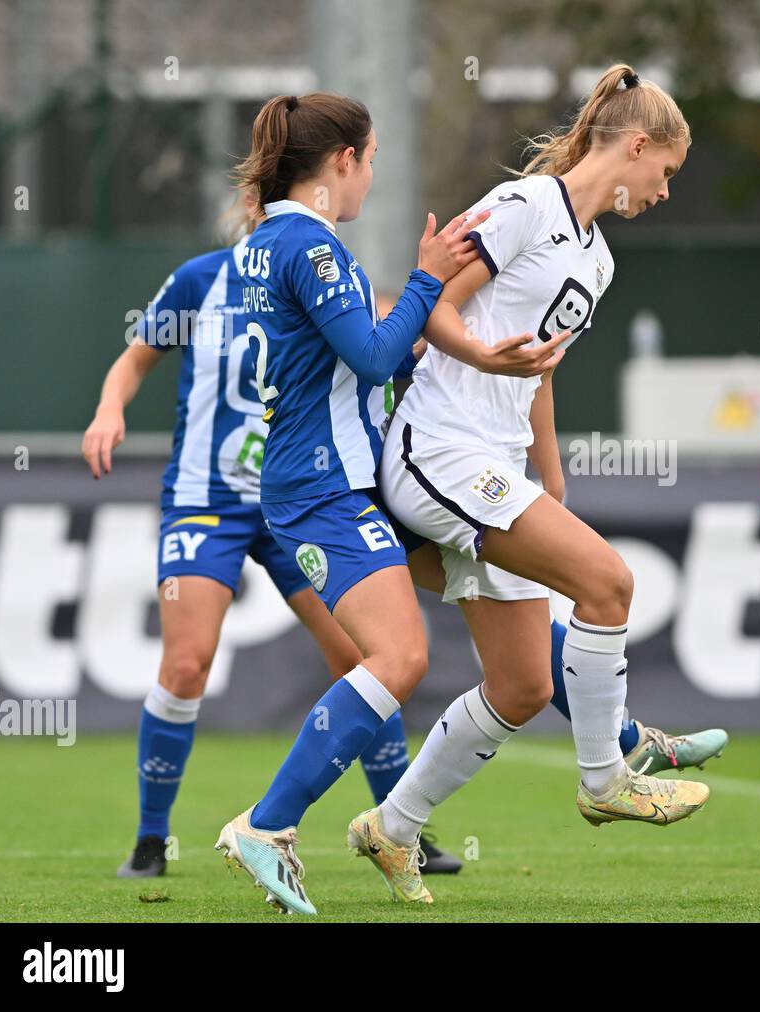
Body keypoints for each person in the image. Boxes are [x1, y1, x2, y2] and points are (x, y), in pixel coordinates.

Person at [353, 64, 715, 905]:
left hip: (495, 462)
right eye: (665, 173)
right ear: (633, 146)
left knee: (522, 685)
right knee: (610, 582)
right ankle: (606, 779)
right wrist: (478, 355)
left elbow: (538, 373)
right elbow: (431, 304)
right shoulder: (523, 208)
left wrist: (549, 480)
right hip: (436, 448)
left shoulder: (597, 262)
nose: (664, 193)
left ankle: (391, 827)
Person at [81, 204, 462, 878]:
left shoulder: (319, 272)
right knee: (187, 664)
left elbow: (378, 353)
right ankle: (149, 841)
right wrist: (110, 407)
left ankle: (401, 829)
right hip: (209, 499)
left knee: (362, 657)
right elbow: (133, 360)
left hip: (297, 494)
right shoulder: (201, 281)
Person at [211, 92, 484, 915]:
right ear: (342, 162)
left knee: (495, 580)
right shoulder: (312, 246)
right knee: (399, 660)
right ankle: (267, 824)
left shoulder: (265, 241)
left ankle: (615, 744)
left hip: (344, 476)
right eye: (371, 161)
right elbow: (370, 359)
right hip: (326, 485)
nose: (372, 177)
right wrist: (429, 277)